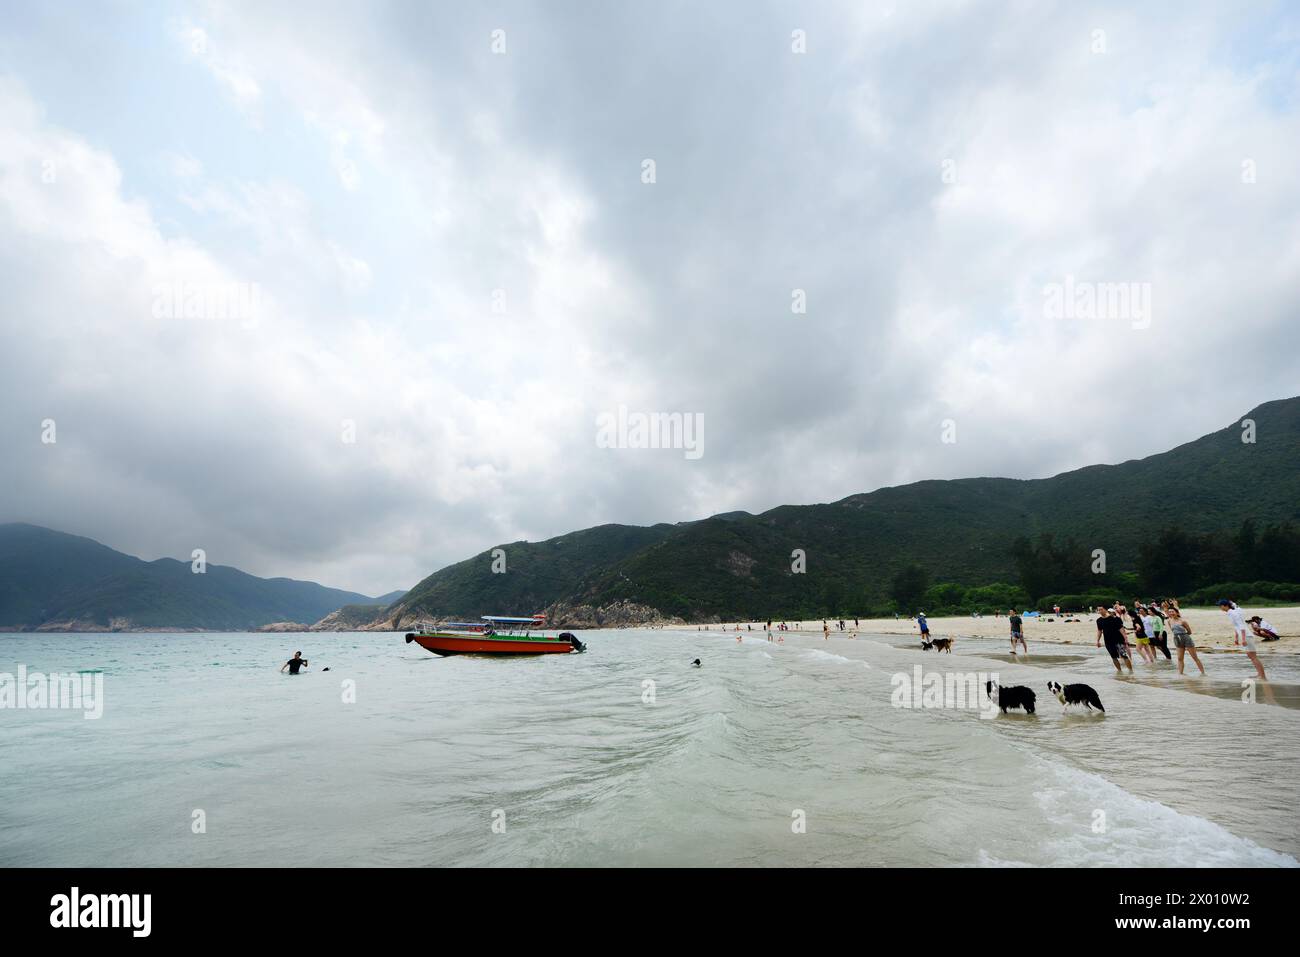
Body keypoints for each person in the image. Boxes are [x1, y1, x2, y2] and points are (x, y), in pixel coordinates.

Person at [1219, 599, 1266, 679]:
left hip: (1247, 636)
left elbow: (1241, 626)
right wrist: (1237, 638)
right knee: (1250, 656)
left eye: (1221, 606)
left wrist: (1243, 639)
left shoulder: (1233, 613)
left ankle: (1263, 676)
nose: (1220, 608)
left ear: (1225, 606)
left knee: (1253, 656)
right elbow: (1236, 626)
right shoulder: (1231, 613)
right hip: (1245, 636)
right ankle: (1259, 674)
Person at [1166, 606, 1205, 676]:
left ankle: (1203, 673)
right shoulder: (1169, 621)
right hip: (1176, 639)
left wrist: (1183, 636)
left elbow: (1189, 631)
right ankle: (1180, 674)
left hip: (1186, 638)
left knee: (1194, 657)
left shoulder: (1183, 621)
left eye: (1172, 611)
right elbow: (1173, 630)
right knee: (1180, 658)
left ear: (1177, 612)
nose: (1171, 613)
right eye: (1169, 612)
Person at [1095, 606, 1133, 674]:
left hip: (1119, 640)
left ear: (1105, 610)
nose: (1100, 611)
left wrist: (1125, 638)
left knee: (1124, 655)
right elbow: (1099, 631)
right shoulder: (1099, 620)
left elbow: (1121, 629)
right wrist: (1097, 641)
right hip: (1108, 641)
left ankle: (1131, 671)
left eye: (1101, 609)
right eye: (1099, 610)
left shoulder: (1114, 618)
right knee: (1114, 657)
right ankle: (1120, 672)